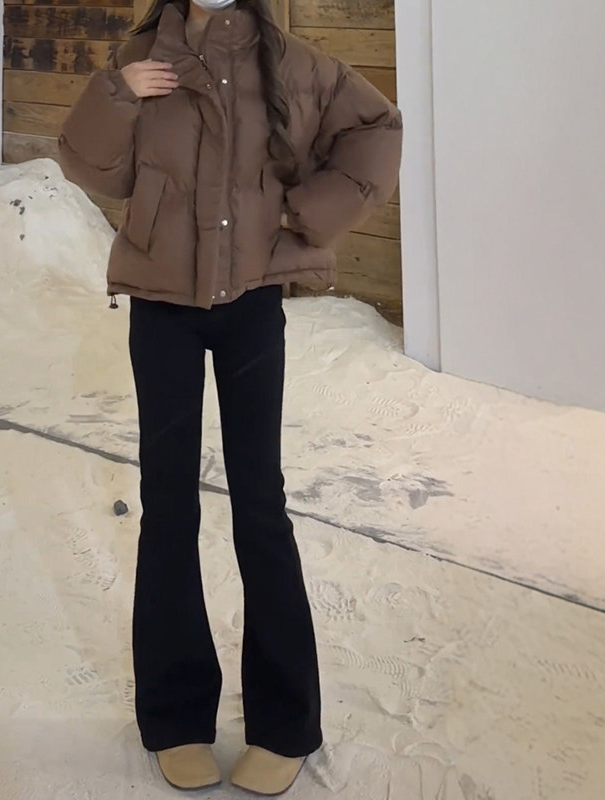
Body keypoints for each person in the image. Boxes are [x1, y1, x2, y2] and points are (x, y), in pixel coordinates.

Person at [58, 0, 402, 793]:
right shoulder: (144, 59)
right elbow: (91, 168)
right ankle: (176, 717)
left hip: (250, 305)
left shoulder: (296, 62)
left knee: (259, 504)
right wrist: (117, 93)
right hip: (162, 309)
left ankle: (285, 724)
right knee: (168, 504)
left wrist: (301, 212)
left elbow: (378, 129)